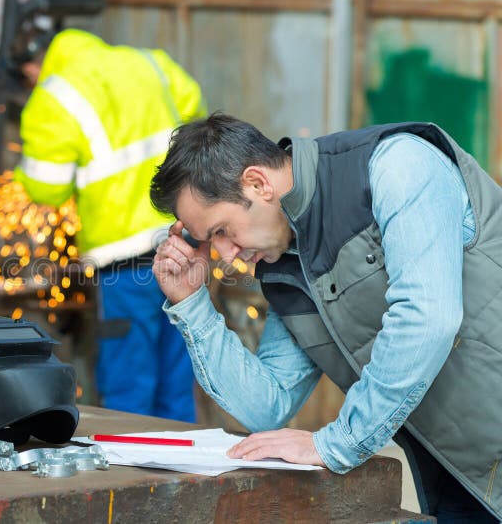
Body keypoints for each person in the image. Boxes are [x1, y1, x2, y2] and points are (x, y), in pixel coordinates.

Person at [150, 113, 502, 522]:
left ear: (258, 184)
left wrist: (338, 442)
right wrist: (192, 304)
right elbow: (268, 406)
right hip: (461, 478)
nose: (225, 255)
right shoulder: (284, 267)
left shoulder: (397, 166)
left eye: (223, 231)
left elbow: (427, 318)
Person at [11, 27, 207, 422]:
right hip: (184, 241)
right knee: (177, 377)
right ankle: (183, 468)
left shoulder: (53, 95)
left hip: (123, 261)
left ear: (33, 65)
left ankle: (131, 476)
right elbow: (198, 117)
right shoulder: (149, 61)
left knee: (129, 385)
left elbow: (46, 188)